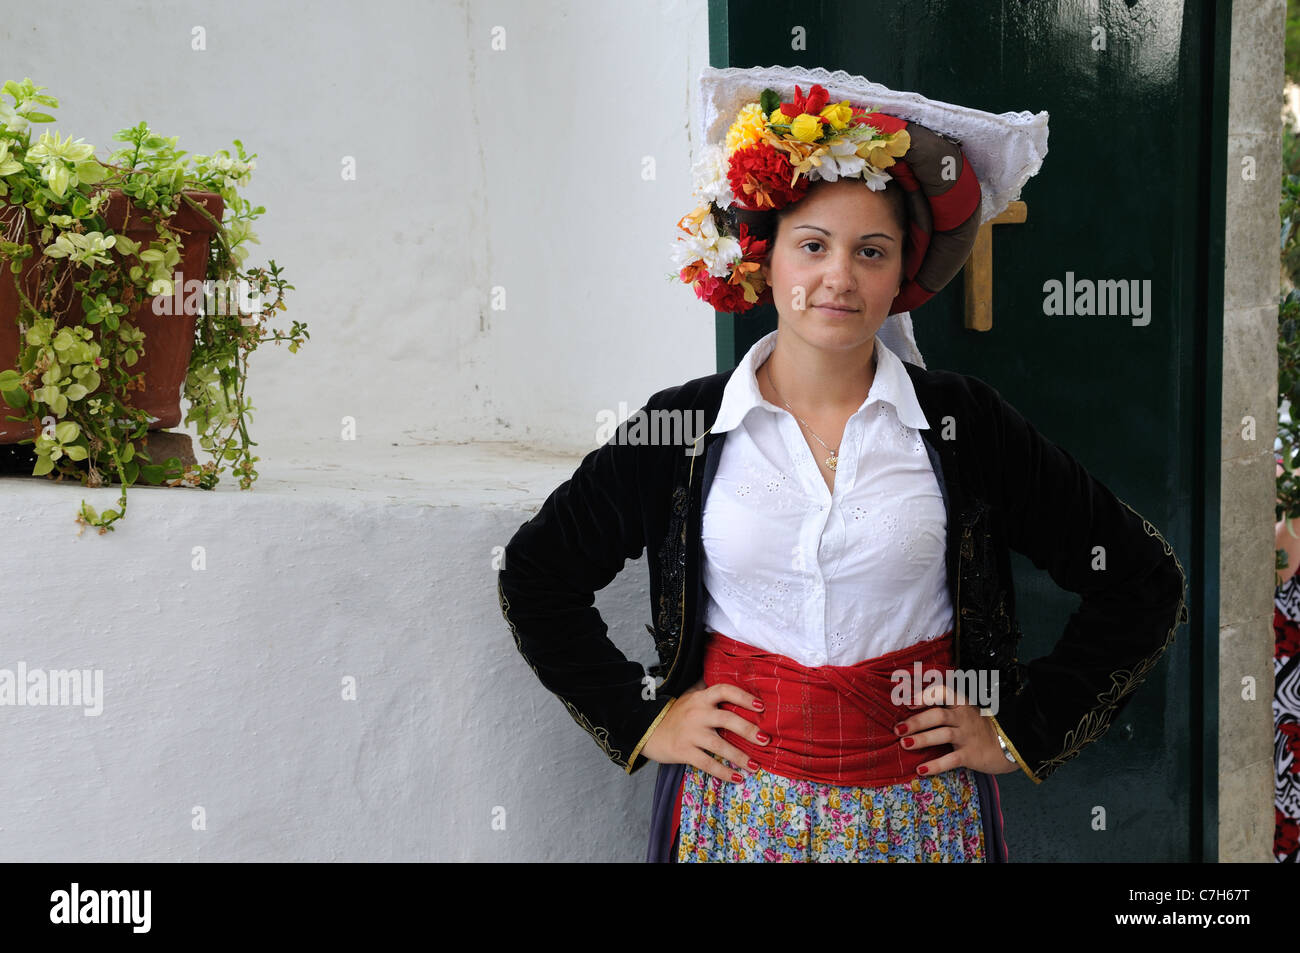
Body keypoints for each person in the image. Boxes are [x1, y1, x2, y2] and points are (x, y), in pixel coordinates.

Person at [496, 66, 1188, 862]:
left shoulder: (963, 423)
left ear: (902, 275)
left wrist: (1020, 728)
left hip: (921, 820)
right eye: (813, 246)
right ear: (767, 260)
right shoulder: (685, 423)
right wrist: (644, 714)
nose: (839, 277)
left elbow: (1141, 578)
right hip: (739, 819)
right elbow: (537, 572)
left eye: (871, 251)